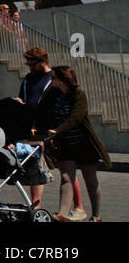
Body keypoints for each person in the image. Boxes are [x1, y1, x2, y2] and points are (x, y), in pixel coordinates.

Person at [41, 66, 110, 221]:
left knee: (90, 180)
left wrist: (58, 130)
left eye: (53, 78)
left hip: (83, 143)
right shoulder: (52, 94)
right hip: (66, 144)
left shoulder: (79, 95)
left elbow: (76, 118)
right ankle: (62, 215)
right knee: (66, 178)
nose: (51, 80)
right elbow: (42, 111)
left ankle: (96, 216)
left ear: (62, 80)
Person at [16, 48, 54, 208]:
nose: (29, 67)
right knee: (34, 166)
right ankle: (35, 205)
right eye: (28, 64)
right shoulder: (28, 79)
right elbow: (23, 100)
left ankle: (77, 206)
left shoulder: (53, 78)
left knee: (67, 170)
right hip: (32, 130)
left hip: (50, 129)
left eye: (32, 64)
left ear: (42, 62)